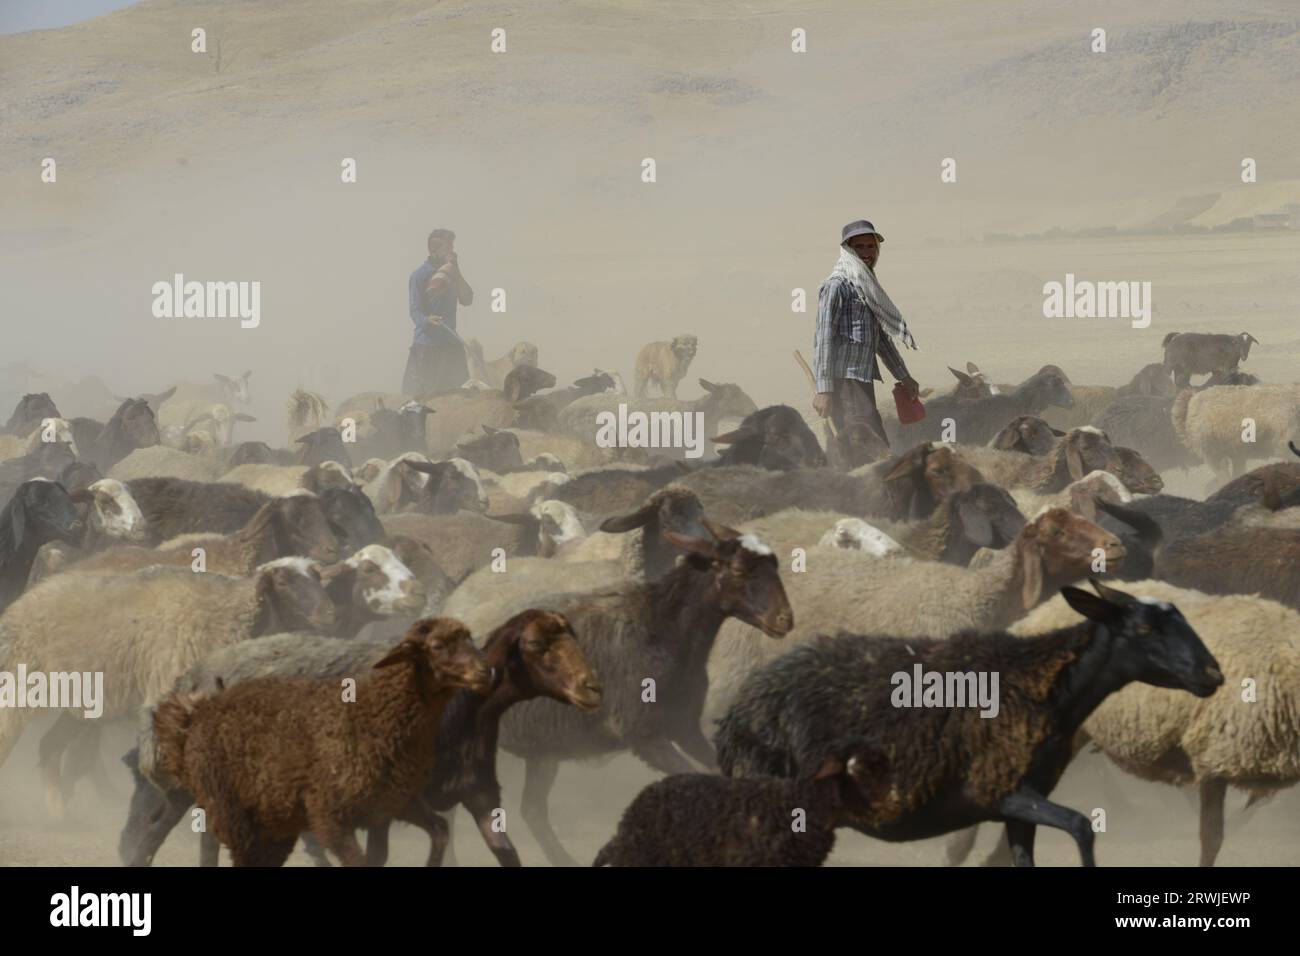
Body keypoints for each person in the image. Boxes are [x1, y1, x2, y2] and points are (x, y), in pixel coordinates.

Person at [811, 219, 921, 466]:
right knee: (870, 445)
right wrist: (824, 389)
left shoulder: (864, 284)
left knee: (867, 442)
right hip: (845, 381)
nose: (866, 253)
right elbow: (824, 337)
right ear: (847, 249)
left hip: (860, 379)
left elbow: (879, 338)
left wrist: (904, 376)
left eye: (871, 247)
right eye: (859, 247)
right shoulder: (837, 285)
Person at [403, 228, 475, 394]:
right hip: (427, 347)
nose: (451, 251)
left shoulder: (451, 273)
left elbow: (467, 299)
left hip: (451, 344)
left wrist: (456, 269)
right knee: (423, 399)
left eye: (452, 246)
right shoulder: (419, 275)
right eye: (446, 247)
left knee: (461, 396)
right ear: (433, 250)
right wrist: (427, 320)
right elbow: (414, 311)